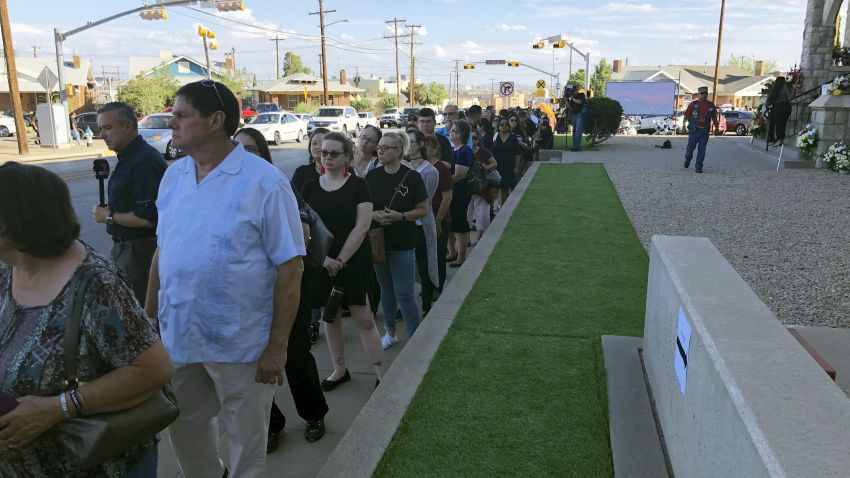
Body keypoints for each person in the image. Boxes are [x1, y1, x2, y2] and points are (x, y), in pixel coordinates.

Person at [148, 80, 305, 478]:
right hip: (180, 336)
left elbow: (290, 268)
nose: (172, 121)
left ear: (216, 120)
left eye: (182, 115)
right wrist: (149, 319)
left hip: (242, 344)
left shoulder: (264, 182)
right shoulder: (174, 177)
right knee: (184, 428)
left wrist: (277, 347)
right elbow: (163, 252)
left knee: (246, 440)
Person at [0, 162, 173, 477]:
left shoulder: (96, 286)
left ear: (13, 225)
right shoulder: (6, 269)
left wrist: (58, 408)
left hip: (97, 463)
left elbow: (155, 370)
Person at [233, 127, 328, 451]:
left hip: (285, 286)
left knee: (295, 354)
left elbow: (301, 237)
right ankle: (272, 424)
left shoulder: (277, 185)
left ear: (264, 153)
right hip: (246, 294)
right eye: (237, 149)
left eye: (251, 149)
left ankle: (314, 413)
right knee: (252, 360)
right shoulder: (225, 190)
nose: (244, 155)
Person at [303, 132, 386, 388]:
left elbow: (361, 227)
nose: (327, 157)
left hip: (351, 261)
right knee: (330, 317)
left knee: (364, 319)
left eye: (334, 153)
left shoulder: (359, 185)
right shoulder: (310, 186)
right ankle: (339, 370)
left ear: (347, 157)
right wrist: (325, 259)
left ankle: (383, 375)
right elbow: (305, 229)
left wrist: (339, 260)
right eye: (323, 152)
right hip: (321, 262)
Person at [92, 102, 167, 305]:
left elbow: (148, 219)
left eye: (108, 128)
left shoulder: (144, 161)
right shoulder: (129, 156)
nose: (102, 135)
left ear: (127, 125)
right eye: (100, 129)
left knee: (137, 312)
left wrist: (108, 216)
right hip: (125, 249)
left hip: (139, 253)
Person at [366, 132, 428, 349]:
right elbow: (363, 208)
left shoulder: (411, 177)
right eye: (379, 147)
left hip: (403, 242)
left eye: (386, 148)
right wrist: (374, 215)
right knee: (386, 291)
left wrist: (400, 216)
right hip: (379, 242)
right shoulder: (372, 176)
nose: (380, 151)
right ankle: (390, 332)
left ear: (399, 151)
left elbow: (423, 210)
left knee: (405, 293)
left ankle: (414, 336)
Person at [292, 127, 330, 345]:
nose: (318, 147)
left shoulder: (344, 172)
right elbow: (294, 202)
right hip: (311, 236)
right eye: (314, 143)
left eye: (323, 143)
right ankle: (313, 323)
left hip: (334, 236)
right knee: (312, 284)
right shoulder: (302, 173)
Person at [405, 128, 440, 315]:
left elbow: (425, 202)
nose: (408, 146)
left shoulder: (431, 171)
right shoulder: (403, 168)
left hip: (422, 227)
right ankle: (404, 306)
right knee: (405, 270)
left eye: (411, 141)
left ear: (420, 145)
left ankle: (427, 305)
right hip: (404, 226)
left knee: (425, 267)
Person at [421, 133, 453, 298]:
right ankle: (427, 285)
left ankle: (437, 287)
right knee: (424, 254)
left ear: (435, 149)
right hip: (422, 218)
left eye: (427, 146)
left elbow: (447, 197)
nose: (424, 149)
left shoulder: (441, 168)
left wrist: (438, 219)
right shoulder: (419, 167)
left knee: (438, 253)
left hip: (437, 218)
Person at [446, 120, 474, 268]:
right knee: (451, 224)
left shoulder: (464, 151)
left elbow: (459, 175)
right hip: (452, 192)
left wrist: (442, 183)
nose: (450, 133)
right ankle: (452, 253)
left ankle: (461, 256)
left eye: (452, 131)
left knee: (459, 224)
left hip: (460, 192)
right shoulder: (455, 149)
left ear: (459, 134)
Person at [468, 132, 497, 246]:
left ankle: (479, 239)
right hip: (467, 188)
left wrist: (485, 167)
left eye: (474, 138)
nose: (472, 140)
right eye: (469, 138)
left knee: (483, 214)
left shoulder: (484, 151)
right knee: (466, 215)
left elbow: (494, 163)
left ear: (478, 140)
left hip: (482, 187)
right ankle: (467, 240)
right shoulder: (462, 150)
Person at [683, 86, 721, 174]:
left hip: (704, 131)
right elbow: (686, 116)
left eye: (706, 93)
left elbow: (714, 118)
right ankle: (688, 158)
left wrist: (717, 128)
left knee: (702, 149)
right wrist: (684, 126)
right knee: (690, 148)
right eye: (702, 93)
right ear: (699, 94)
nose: (704, 95)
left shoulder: (711, 105)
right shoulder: (693, 105)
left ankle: (698, 166)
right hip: (694, 130)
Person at [492, 117, 521, 208]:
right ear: (498, 126)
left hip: (509, 165)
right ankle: (491, 208)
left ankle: (503, 207)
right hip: (496, 165)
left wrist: (516, 167)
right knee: (494, 188)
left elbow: (517, 153)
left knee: (505, 188)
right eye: (501, 124)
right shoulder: (495, 136)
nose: (504, 126)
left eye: (506, 124)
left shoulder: (513, 138)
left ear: (508, 126)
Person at [765, 77, 793, 147]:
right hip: (784, 106)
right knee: (781, 124)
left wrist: (768, 107)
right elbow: (790, 96)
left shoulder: (774, 89)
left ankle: (771, 139)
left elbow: (768, 99)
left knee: (774, 124)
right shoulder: (784, 87)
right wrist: (793, 89)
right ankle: (779, 140)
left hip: (775, 107)